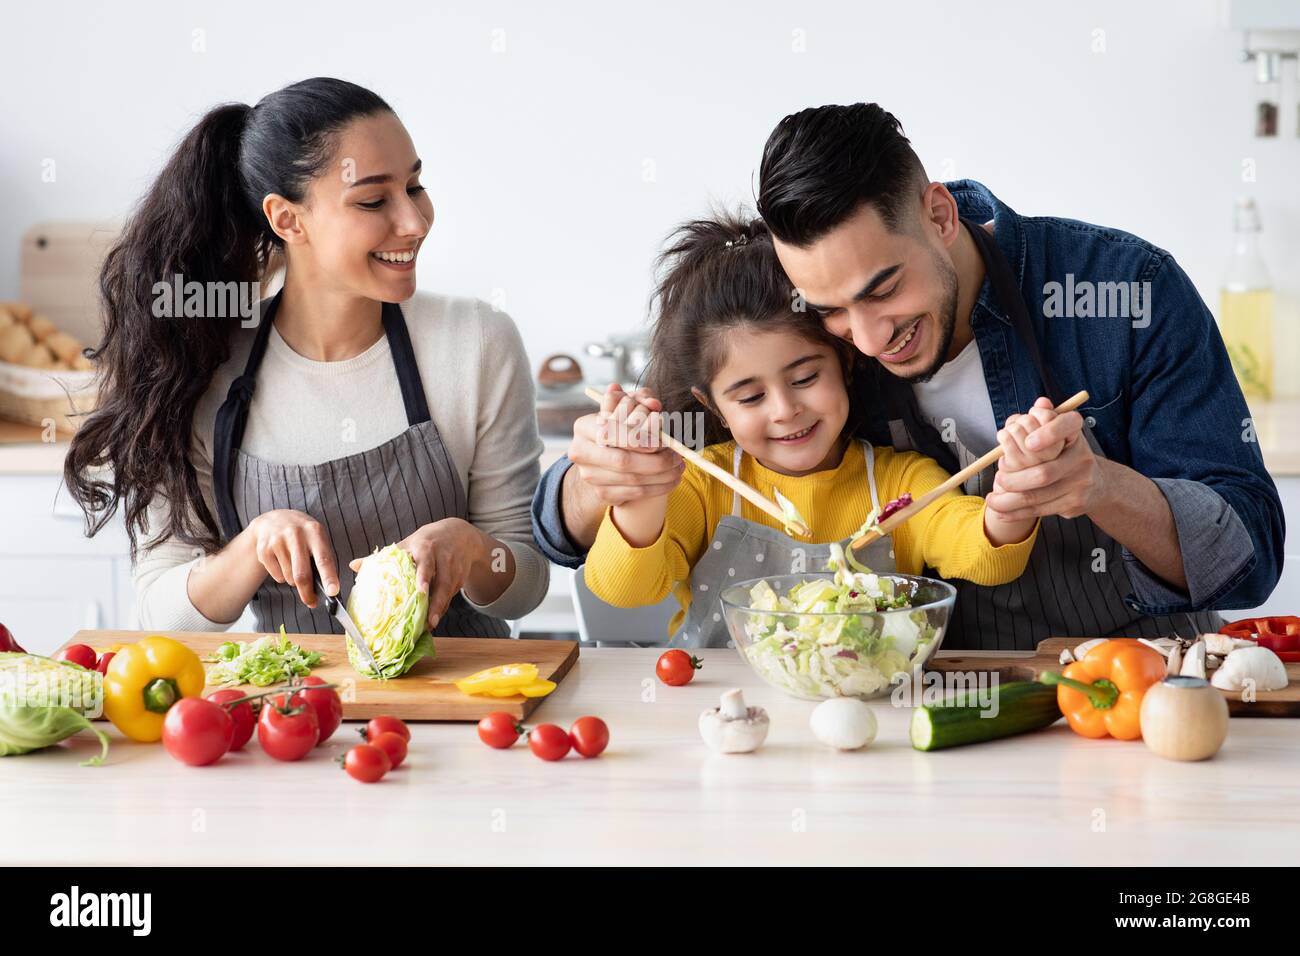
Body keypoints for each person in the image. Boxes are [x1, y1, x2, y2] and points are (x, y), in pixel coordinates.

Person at [534, 103, 1283, 650]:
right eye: (830, 311)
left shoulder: (1125, 290)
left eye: (883, 290)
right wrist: (596, 476)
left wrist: (1099, 486)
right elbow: (568, 522)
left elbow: (1252, 553)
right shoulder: (792, 331)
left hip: (1137, 677)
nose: (866, 339)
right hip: (917, 699)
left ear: (940, 214)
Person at [66, 77, 548, 637]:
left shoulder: (477, 343)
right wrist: (251, 548)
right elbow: (161, 614)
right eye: (373, 200)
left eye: (415, 186)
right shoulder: (201, 363)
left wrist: (473, 550)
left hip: (465, 704)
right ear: (287, 219)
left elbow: (527, 585)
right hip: (293, 710)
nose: (415, 222)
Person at [583, 213, 1057, 646]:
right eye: (750, 397)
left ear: (845, 361)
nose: (786, 410)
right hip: (723, 719)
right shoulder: (701, 483)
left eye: (806, 378)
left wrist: (1014, 495)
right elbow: (624, 590)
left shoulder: (900, 483)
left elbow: (986, 558)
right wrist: (641, 494)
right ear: (715, 408)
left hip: (869, 714)